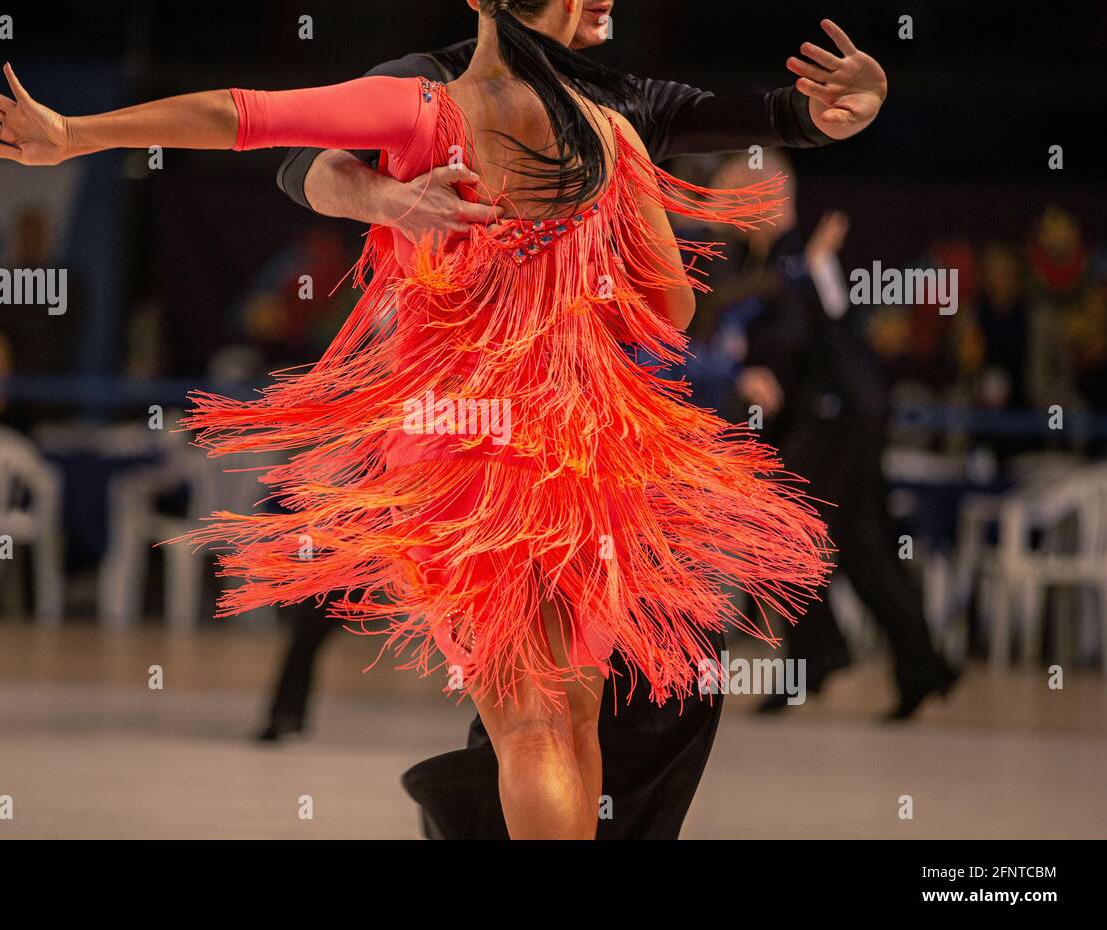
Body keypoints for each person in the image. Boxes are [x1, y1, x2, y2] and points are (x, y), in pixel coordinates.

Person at [0, 0, 833, 839]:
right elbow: (673, 307)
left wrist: (76, 134)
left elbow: (248, 117)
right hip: (582, 451)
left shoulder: (428, 112)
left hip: (456, 448)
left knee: (522, 724)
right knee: (573, 713)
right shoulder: (613, 135)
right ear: (568, 13)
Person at [258, 5, 887, 754]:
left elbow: (736, 118)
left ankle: (506, 801)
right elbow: (300, 161)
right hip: (445, 422)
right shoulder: (434, 84)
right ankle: (318, 722)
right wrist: (389, 200)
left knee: (628, 690)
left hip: (571, 448)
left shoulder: (611, 107)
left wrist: (823, 118)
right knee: (489, 669)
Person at [708, 150, 959, 721]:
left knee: (768, 520)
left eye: (731, 193)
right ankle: (921, 664)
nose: (721, 207)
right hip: (845, 410)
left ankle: (821, 654)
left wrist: (747, 360)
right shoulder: (781, 261)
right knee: (862, 542)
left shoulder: (796, 259)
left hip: (840, 411)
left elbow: (802, 336)